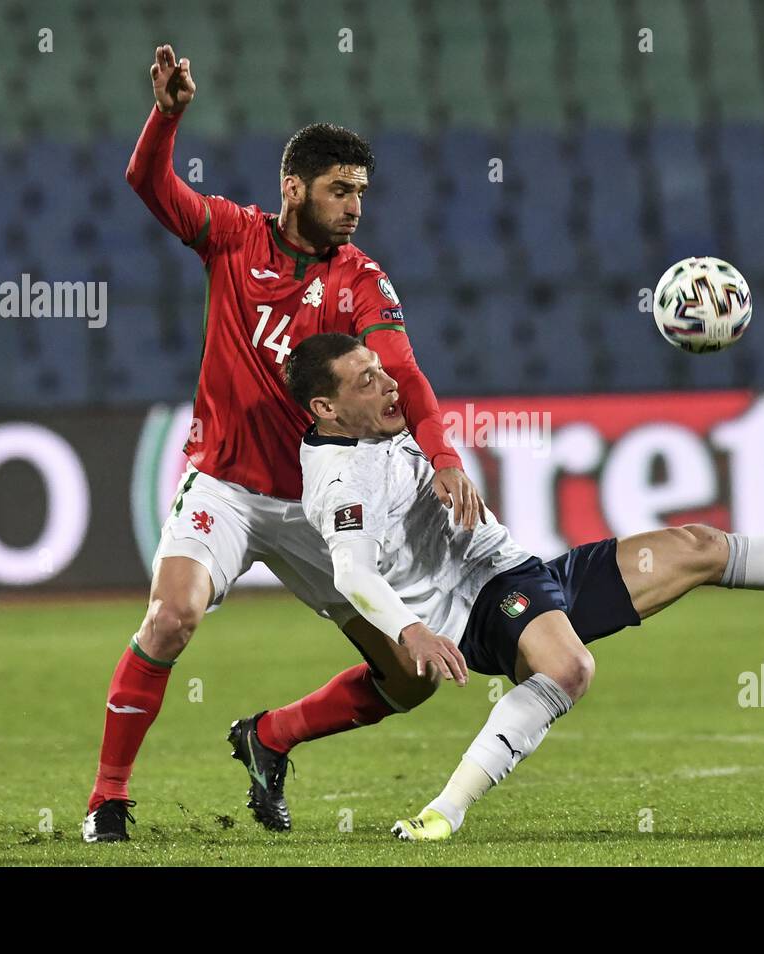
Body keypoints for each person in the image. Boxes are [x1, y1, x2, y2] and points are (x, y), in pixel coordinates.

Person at [269, 333, 764, 841]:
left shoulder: (381, 415)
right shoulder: (338, 483)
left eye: (380, 371)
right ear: (326, 407)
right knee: (569, 668)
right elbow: (353, 570)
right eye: (366, 382)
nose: (389, 387)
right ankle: (444, 812)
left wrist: (443, 454)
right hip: (475, 606)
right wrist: (412, 631)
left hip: (522, 572)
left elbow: (411, 387)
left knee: (700, 548)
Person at [83, 46, 486, 842]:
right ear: (293, 187)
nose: (354, 207)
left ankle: (269, 737)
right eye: (340, 190)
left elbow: (402, 372)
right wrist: (167, 117)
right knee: (169, 620)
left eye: (362, 192)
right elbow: (148, 186)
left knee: (410, 682)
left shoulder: (362, 280)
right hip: (227, 487)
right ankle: (107, 800)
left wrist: (442, 454)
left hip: (320, 500)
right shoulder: (232, 238)